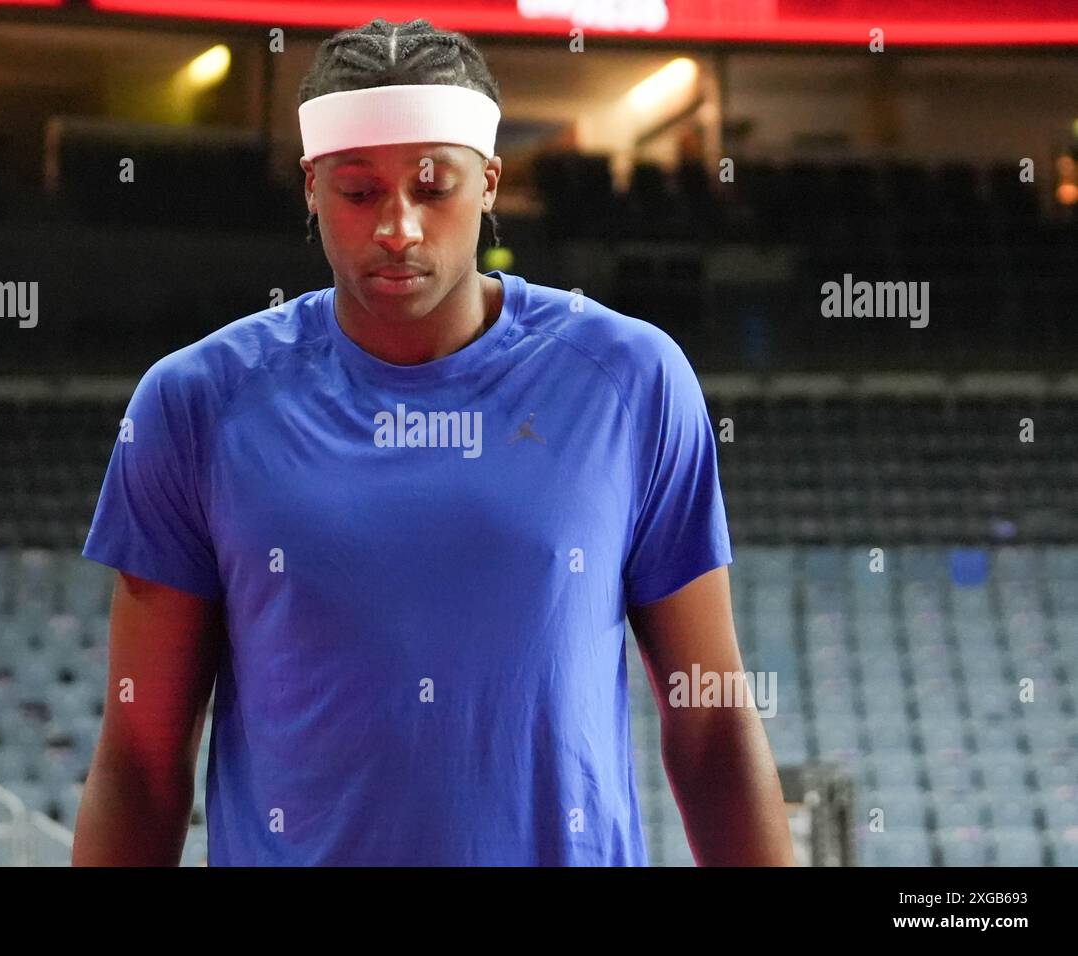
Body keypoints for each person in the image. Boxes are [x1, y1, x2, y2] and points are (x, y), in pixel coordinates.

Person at [73, 17, 794, 866]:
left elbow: (709, 726)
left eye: (432, 187)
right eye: (358, 190)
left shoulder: (628, 381)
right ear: (310, 188)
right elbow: (143, 762)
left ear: (490, 183)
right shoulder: (194, 404)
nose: (399, 228)